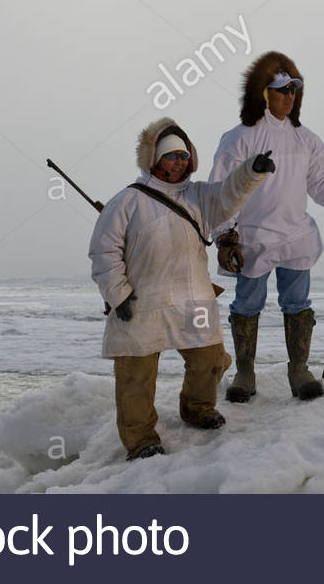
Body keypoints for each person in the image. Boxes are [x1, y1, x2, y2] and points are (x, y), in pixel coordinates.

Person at [90, 116, 275, 460]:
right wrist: (118, 295)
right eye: (172, 155)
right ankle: (142, 440)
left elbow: (229, 193)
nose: (181, 161)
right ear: (154, 160)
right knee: (135, 377)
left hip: (194, 300)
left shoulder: (200, 196)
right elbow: (104, 253)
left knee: (210, 360)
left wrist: (252, 171)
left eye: (184, 155)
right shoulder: (127, 201)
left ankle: (198, 408)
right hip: (143, 301)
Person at [209, 51, 324, 402]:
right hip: (252, 238)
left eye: (294, 89)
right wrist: (226, 236)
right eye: (282, 88)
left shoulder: (306, 140)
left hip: (296, 237)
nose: (289, 95)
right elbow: (223, 190)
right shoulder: (239, 138)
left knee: (297, 303)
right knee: (246, 306)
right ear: (263, 93)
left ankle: (299, 370)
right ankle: (245, 372)